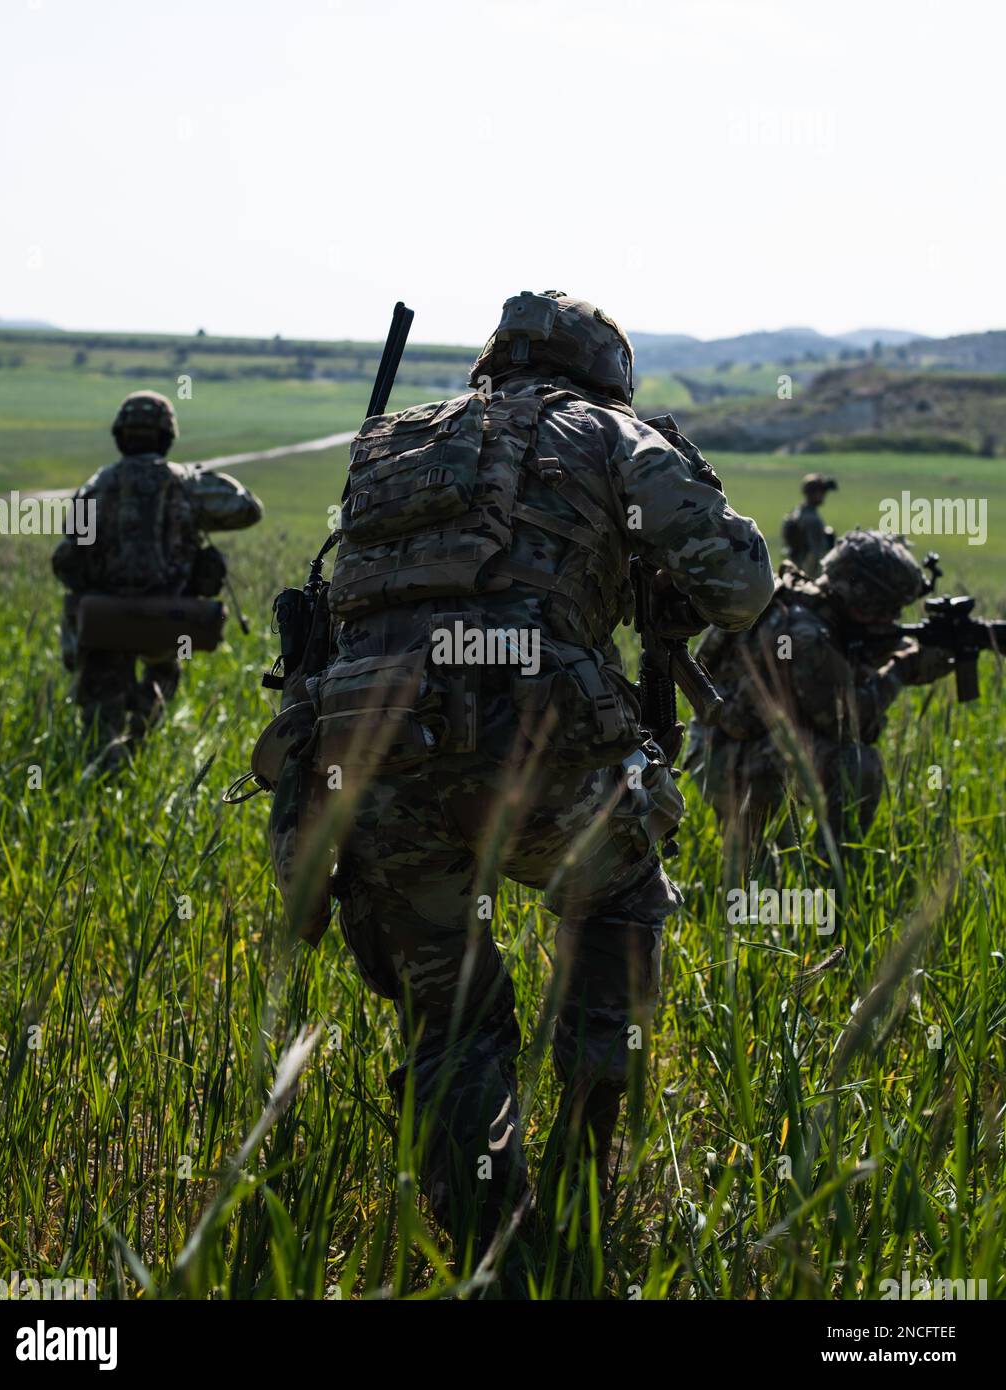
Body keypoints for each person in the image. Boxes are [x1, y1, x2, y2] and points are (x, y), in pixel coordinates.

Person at [260, 291, 773, 1267]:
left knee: (446, 1009)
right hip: (543, 737)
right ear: (605, 373)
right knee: (616, 903)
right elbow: (741, 589)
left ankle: (493, 1239)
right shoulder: (605, 432)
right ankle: (581, 1181)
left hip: (372, 747)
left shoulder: (387, 443)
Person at [686, 529, 955, 856]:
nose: (893, 618)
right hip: (726, 759)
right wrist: (901, 670)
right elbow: (848, 723)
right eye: (888, 609)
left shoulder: (806, 604)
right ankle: (834, 870)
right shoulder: (804, 634)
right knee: (858, 766)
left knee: (765, 867)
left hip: (734, 746)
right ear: (862, 597)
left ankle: (771, 858)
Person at [52, 390, 262, 766]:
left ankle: (103, 776)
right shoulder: (186, 483)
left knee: (99, 724)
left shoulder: (95, 486)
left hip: (103, 621)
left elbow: (70, 554)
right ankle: (136, 751)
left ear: (120, 435)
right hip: (168, 623)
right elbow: (248, 509)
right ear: (168, 436)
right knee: (156, 690)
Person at [781, 472, 837, 576]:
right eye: (822, 491)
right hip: (805, 572)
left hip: (794, 569)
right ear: (813, 493)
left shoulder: (798, 511)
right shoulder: (812, 520)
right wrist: (811, 581)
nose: (824, 495)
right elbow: (815, 555)